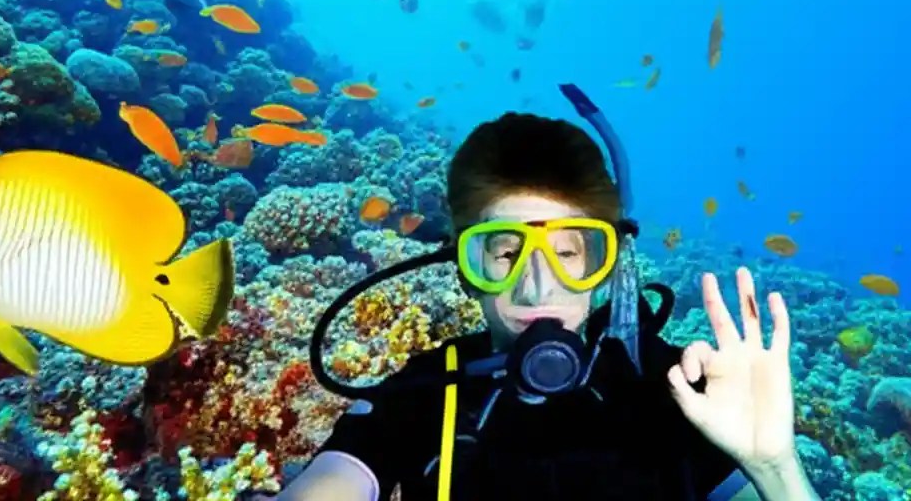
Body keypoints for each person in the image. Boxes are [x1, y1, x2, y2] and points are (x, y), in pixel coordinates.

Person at [252, 102, 819, 501]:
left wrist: (774, 467)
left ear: (606, 266)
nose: (536, 286)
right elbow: (336, 480)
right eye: (503, 253)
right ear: (465, 267)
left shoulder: (674, 389)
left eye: (571, 252)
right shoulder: (427, 393)